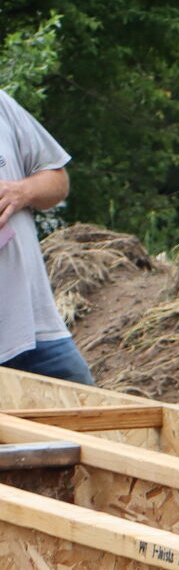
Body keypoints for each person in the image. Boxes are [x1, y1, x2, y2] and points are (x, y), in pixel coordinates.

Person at [0, 90, 93, 386]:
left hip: (37, 329)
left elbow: (57, 180)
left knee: (92, 411)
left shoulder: (1, 105)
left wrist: (21, 191)